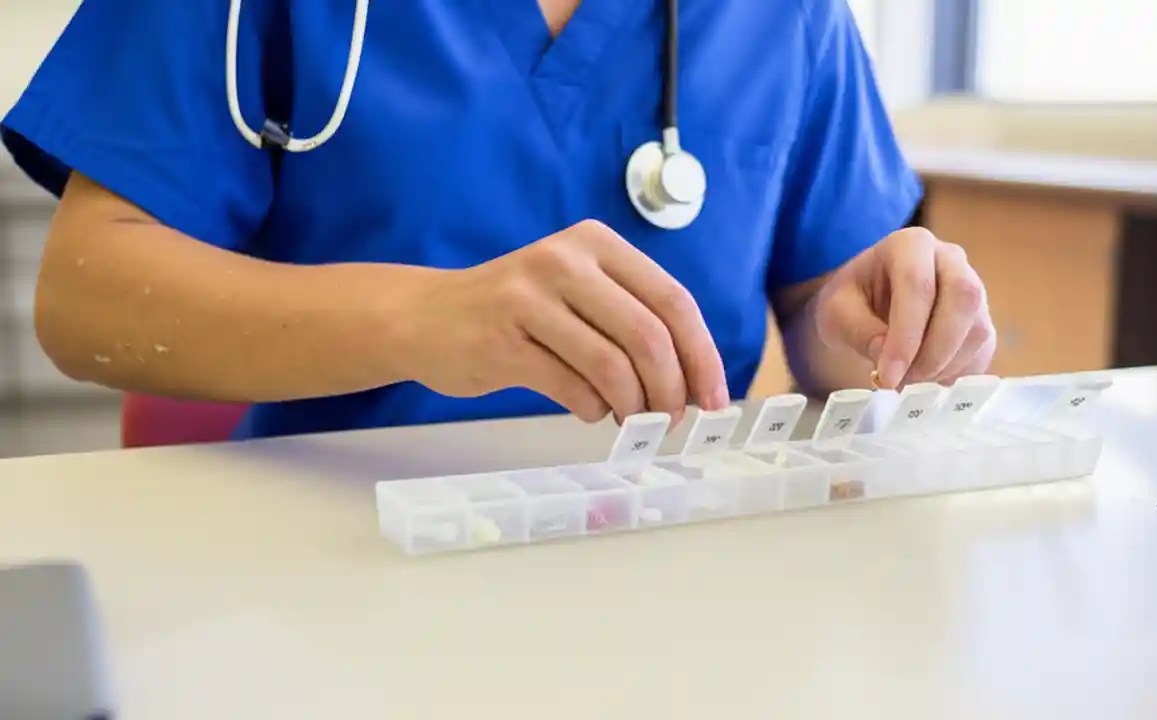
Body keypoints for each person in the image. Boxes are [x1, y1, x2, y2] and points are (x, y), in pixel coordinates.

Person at [1, 0, 995, 440]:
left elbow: (824, 308)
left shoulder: (790, 15)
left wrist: (870, 329)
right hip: (338, 569)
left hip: (673, 561)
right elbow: (84, 300)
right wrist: (425, 322)